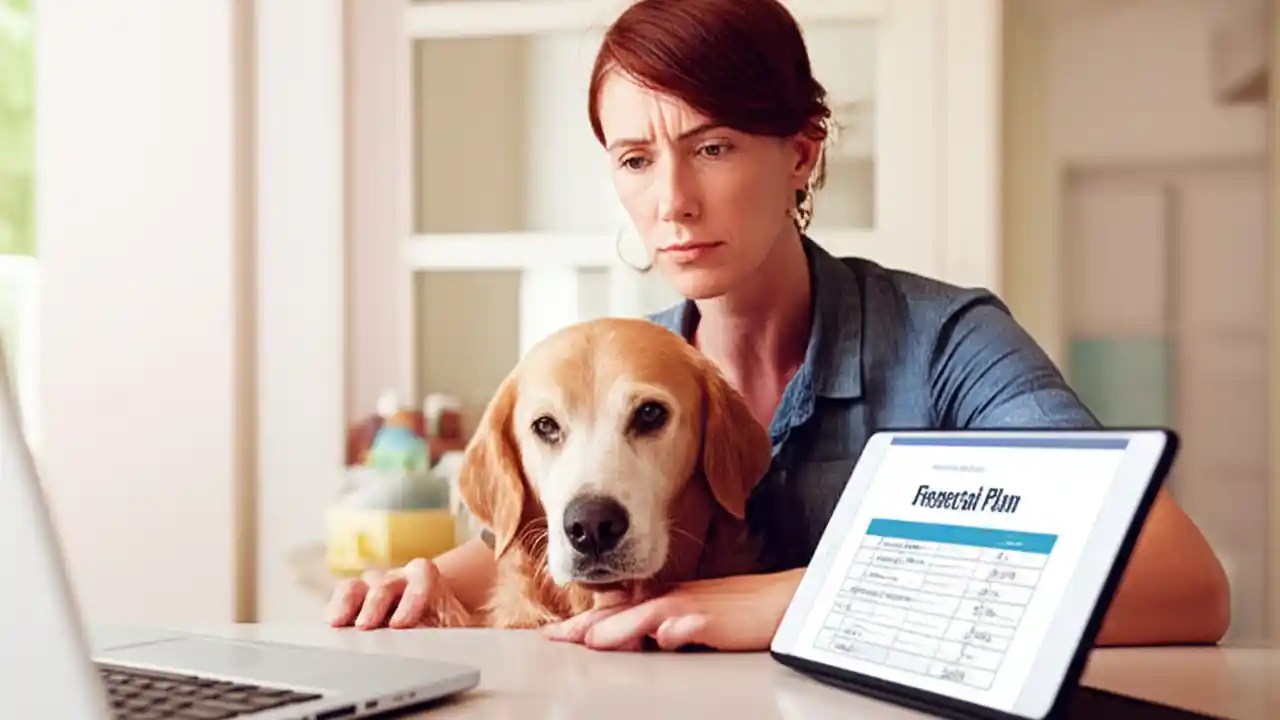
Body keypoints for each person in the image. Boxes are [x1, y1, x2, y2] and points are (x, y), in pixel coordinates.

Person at [329, 0, 1230, 651]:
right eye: (637, 160)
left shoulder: (947, 343)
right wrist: (430, 583)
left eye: (712, 147)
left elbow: (1183, 588)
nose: (673, 202)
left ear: (801, 153)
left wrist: (795, 600)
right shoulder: (628, 362)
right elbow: (554, 534)